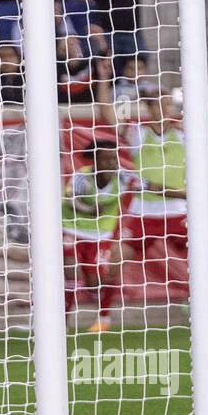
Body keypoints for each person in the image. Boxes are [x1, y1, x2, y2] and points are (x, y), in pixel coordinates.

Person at [61, 140, 125, 334]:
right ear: (95, 161)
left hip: (100, 235)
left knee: (95, 283)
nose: (112, 163)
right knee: (71, 270)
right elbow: (72, 201)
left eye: (114, 159)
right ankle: (62, 322)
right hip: (73, 229)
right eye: (106, 159)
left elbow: (152, 186)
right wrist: (90, 209)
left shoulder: (124, 179)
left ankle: (103, 317)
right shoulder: (81, 176)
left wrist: (185, 194)